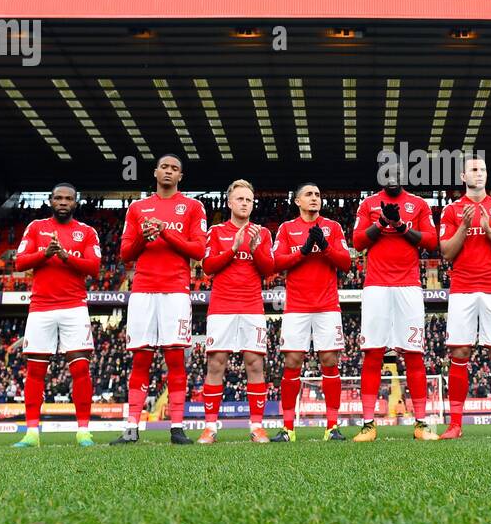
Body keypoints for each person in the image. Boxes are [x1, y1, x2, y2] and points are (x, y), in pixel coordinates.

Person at [111, 154, 207, 445]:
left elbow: (199, 250)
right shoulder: (138, 208)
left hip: (176, 291)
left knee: (175, 359)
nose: (168, 171)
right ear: (155, 172)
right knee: (141, 357)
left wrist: (165, 231)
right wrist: (143, 236)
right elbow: (126, 253)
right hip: (142, 291)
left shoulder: (193, 207)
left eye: (174, 169)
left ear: (181, 176)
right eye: (164, 167)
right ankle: (131, 428)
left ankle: (177, 427)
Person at [437, 155, 491, 439]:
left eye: (483, 169)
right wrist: (464, 227)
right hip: (462, 289)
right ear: (463, 177)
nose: (479, 174)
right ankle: (455, 425)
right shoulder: (452, 210)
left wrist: (488, 230)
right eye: (474, 170)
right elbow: (447, 253)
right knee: (460, 353)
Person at [12, 182, 101, 447]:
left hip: (74, 306)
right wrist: (44, 253)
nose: (63, 202)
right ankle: (31, 434)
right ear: (51, 201)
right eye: (58, 198)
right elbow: (19, 262)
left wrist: (64, 256)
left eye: (68, 199)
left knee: (81, 368)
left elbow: (94, 267)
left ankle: (83, 431)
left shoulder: (86, 232)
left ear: (76, 203)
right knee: (35, 370)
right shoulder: (36, 228)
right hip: (41, 307)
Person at [351, 174, 439, 442]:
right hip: (376, 286)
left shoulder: (419, 204)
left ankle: (421, 424)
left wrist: (400, 225)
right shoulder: (368, 204)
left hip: (409, 287)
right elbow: (357, 242)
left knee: (413, 353)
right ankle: (368, 424)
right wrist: (381, 222)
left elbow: (431, 242)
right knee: (373, 352)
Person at [197, 180, 275, 443]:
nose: (244, 203)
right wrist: (233, 249)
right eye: (240, 199)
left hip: (252, 306)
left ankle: (257, 426)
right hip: (222, 307)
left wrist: (254, 250)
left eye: (248, 200)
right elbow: (208, 266)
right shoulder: (217, 231)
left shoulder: (262, 233)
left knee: (255, 363)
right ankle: (210, 428)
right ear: (229, 203)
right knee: (216, 363)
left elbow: (268, 270)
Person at [272, 182, 352, 441]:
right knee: (292, 363)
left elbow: (346, 263)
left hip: (328, 306)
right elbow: (276, 262)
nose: (315, 198)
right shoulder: (287, 229)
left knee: (330, 361)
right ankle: (288, 429)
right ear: (297, 201)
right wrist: (305, 251)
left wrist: (325, 247)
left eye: (318, 194)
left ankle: (332, 426)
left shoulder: (333, 227)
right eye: (309, 194)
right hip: (296, 307)